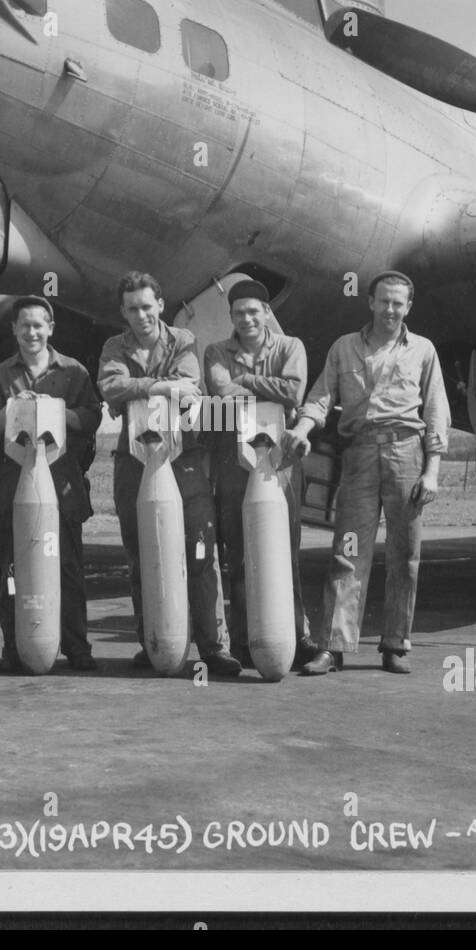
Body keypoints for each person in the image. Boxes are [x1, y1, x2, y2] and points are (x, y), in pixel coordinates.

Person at [283, 271, 450, 674]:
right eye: (384, 301)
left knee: (404, 554)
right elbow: (321, 399)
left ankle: (395, 644)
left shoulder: (423, 351)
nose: (390, 309)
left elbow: (435, 412)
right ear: (370, 303)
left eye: (398, 303)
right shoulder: (343, 349)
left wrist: (432, 471)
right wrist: (302, 429)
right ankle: (333, 647)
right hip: (359, 456)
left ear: (407, 307)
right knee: (349, 551)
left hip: (406, 456)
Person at [97, 272, 242, 676]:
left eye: (147, 306)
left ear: (160, 304)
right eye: (132, 309)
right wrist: (162, 388)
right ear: (123, 312)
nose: (141, 315)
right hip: (133, 459)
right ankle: (156, 640)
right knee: (141, 553)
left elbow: (190, 382)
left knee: (199, 551)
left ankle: (213, 646)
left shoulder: (183, 341)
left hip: (185, 459)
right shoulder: (114, 346)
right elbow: (111, 387)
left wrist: (140, 387)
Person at [204, 278, 333, 676]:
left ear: (265, 314)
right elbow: (220, 392)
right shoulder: (215, 350)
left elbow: (294, 393)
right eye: (239, 313)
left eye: (253, 312)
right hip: (233, 458)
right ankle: (244, 640)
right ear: (231, 316)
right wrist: (260, 389)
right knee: (239, 553)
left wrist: (244, 381)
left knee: (283, 551)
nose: (246, 319)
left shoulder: (289, 346)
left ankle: (295, 635)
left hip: (279, 460)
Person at [0, 296, 103, 672]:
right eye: (24, 326)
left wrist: (53, 410)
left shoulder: (74, 372)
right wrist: (17, 408)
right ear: (14, 330)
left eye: (39, 325)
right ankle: (15, 649)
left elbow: (93, 417)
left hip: (62, 487)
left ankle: (77, 647)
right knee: (14, 572)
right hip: (13, 486)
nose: (31, 332)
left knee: (67, 569)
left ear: (50, 328)